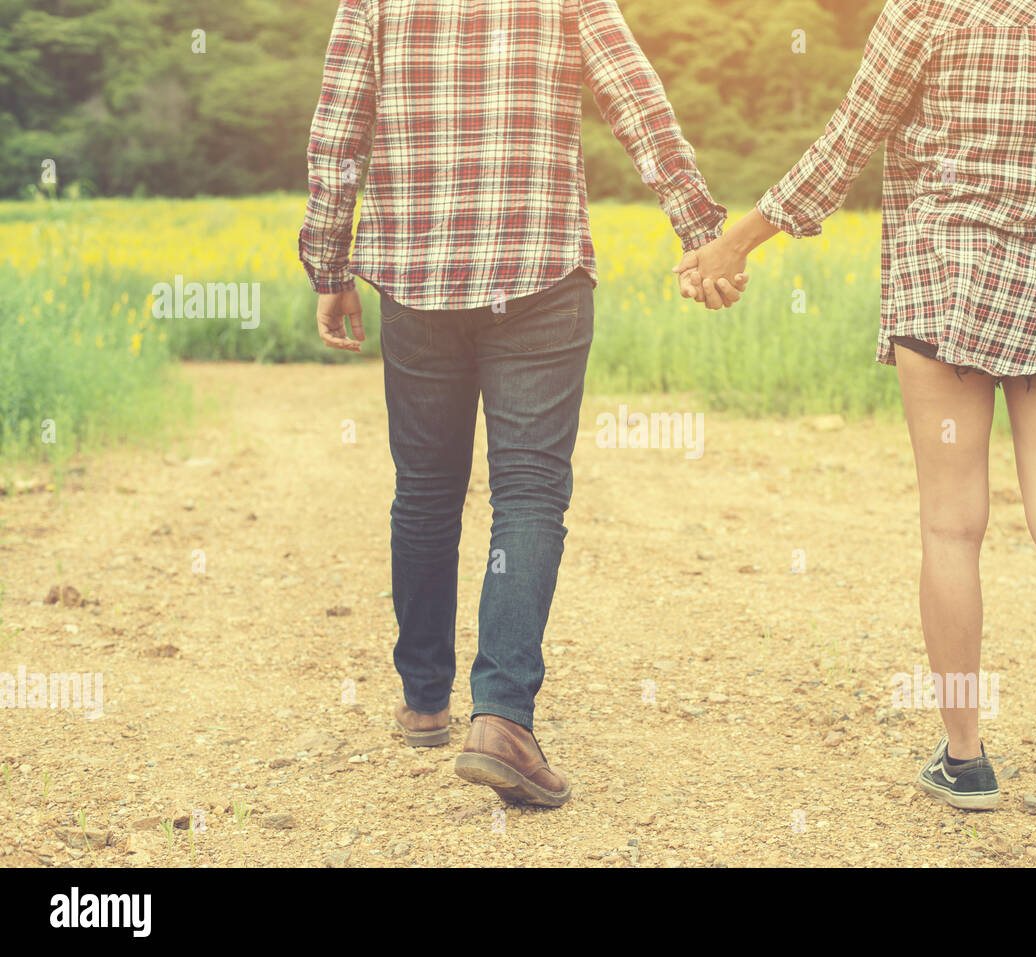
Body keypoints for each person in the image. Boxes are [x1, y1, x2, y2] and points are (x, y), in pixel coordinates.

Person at [678, 0, 1036, 836]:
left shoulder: (926, 12)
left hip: (949, 284)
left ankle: (965, 758)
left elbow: (841, 148)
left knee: (952, 525)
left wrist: (733, 244)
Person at [299, 0, 732, 807]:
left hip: (417, 273)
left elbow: (337, 130)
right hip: (539, 268)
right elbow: (634, 96)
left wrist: (328, 267)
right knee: (527, 492)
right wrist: (698, 226)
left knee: (425, 489)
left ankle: (426, 698)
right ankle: (501, 716)